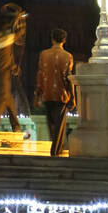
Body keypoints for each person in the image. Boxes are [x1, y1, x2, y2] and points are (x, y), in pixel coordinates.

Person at [35, 28, 74, 156]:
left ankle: (56, 148)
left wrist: (38, 95)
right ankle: (55, 151)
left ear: (52, 39)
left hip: (47, 94)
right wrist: (73, 97)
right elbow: (69, 79)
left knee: (51, 123)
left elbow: (40, 75)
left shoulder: (44, 54)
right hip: (61, 95)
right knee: (59, 125)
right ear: (64, 40)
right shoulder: (68, 56)